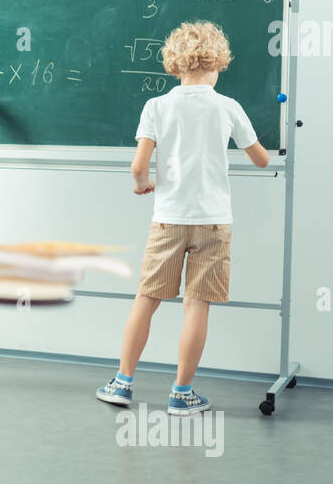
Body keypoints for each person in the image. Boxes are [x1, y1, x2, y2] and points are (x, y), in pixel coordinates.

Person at [97, 21, 269, 415]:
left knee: (147, 298)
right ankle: (182, 393)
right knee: (197, 305)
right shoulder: (228, 107)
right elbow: (260, 160)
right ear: (218, 63)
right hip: (213, 221)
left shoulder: (156, 107)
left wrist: (143, 184)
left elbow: (138, 165)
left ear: (174, 65)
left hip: (169, 218)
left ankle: (122, 383)